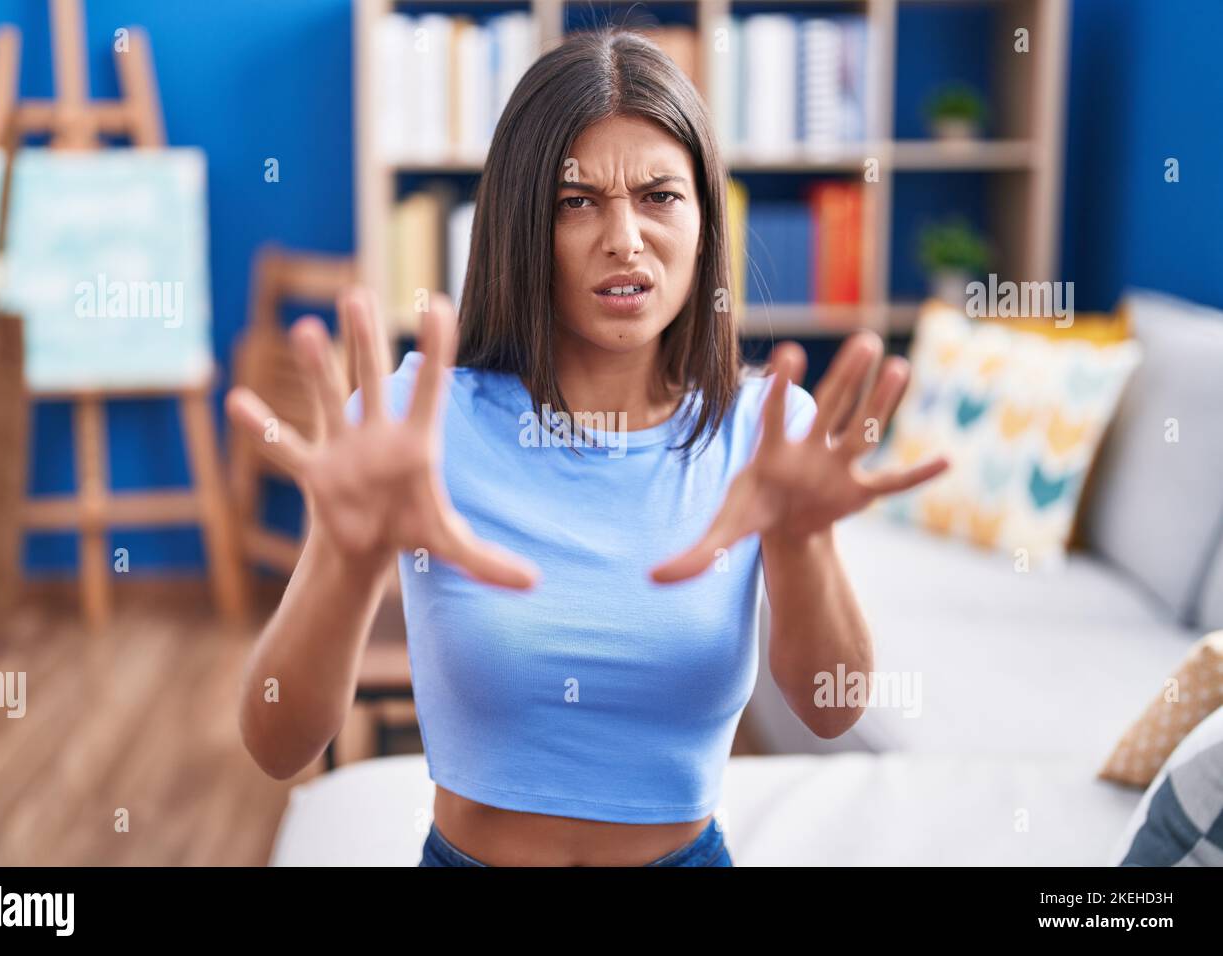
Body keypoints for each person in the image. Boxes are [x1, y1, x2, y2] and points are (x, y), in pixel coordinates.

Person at [227, 29, 948, 867]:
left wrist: (802, 540)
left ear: (707, 219)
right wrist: (348, 563)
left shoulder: (763, 430)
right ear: (522, 226)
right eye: (577, 202)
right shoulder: (412, 423)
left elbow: (832, 710)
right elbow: (277, 745)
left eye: (659, 196)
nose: (625, 239)